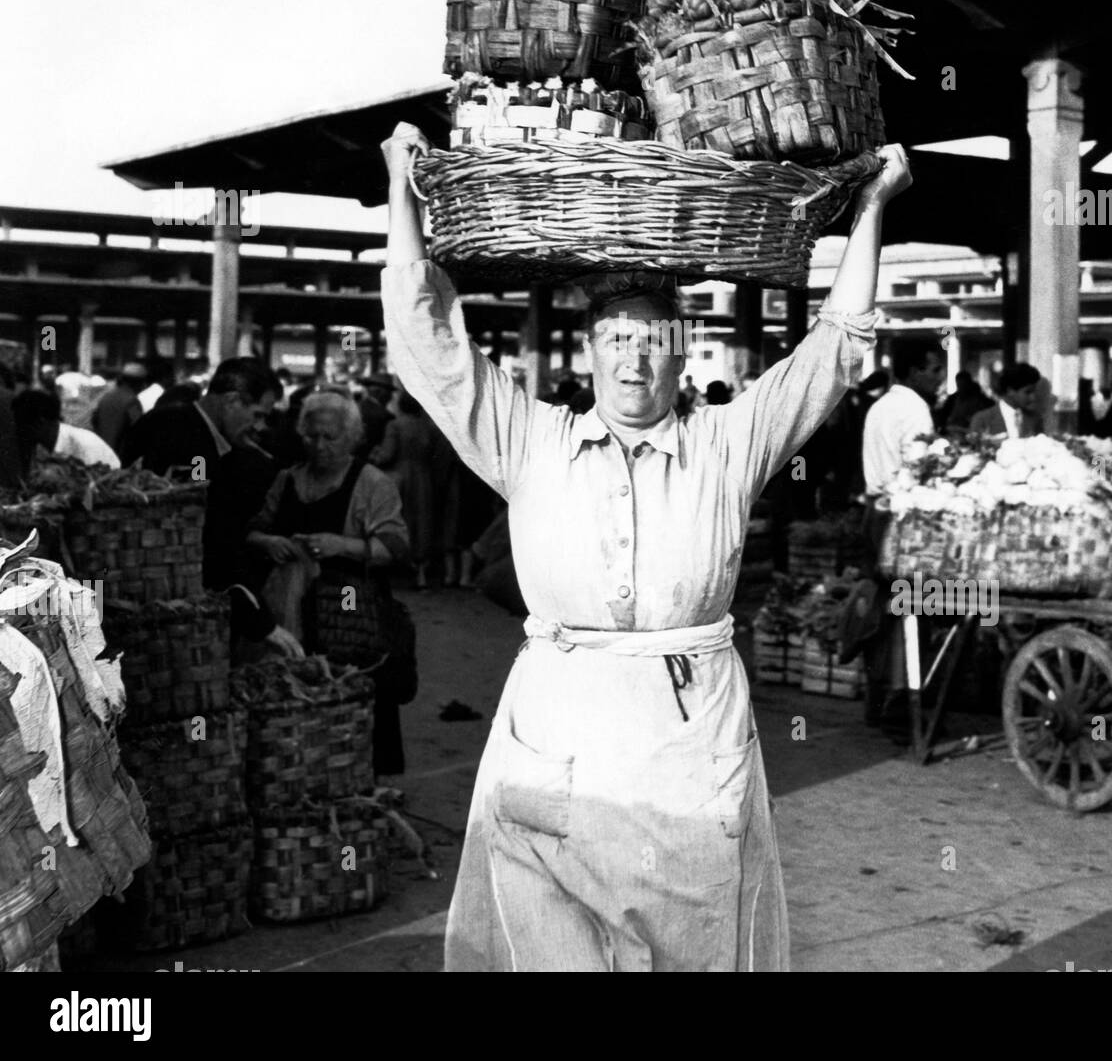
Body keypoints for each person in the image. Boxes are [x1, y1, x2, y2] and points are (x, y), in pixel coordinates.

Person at [380, 121, 910, 973]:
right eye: (616, 341)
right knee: (546, 949)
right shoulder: (531, 440)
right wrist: (401, 195)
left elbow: (834, 350)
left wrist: (872, 207)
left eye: (653, 344)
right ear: (587, 354)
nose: (634, 362)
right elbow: (427, 345)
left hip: (687, 738)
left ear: (681, 356)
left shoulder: (728, 445)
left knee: (692, 947)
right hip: (557, 733)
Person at [246, 392, 411, 773]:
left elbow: (397, 546)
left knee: (354, 686)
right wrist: (268, 542)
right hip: (290, 611)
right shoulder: (288, 479)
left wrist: (343, 545)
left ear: (352, 438)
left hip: (350, 606)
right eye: (312, 436)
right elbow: (253, 531)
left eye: (330, 438)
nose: (319, 445)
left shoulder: (372, 483)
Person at [119, 356, 299, 656]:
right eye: (256, 415)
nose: (259, 427)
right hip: (162, 600)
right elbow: (210, 534)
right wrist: (259, 622)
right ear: (231, 401)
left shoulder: (175, 423)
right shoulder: (189, 441)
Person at [854, 335, 946, 728]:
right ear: (913, 371)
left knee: (886, 608)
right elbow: (923, 473)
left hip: (875, 515)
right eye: (934, 369)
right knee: (912, 610)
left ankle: (878, 703)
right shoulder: (915, 411)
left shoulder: (880, 406)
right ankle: (903, 706)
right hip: (904, 519)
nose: (940, 378)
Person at [372, 383, 458, 588]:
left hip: (400, 479)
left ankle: (400, 569)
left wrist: (374, 454)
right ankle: (421, 573)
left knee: (401, 521)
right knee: (423, 523)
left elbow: (387, 454)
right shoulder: (428, 426)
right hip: (424, 479)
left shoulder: (394, 425)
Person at [13, 388, 120, 471]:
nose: (18, 430)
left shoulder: (84, 445)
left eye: (22, 424)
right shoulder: (42, 447)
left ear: (41, 421)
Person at [970, 362, 1044, 438]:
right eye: (1028, 392)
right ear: (1010, 391)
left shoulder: (1035, 419)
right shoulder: (982, 419)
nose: (1033, 397)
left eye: (1034, 392)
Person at [91, 363, 148, 453]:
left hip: (100, 450)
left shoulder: (106, 397)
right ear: (139, 383)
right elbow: (137, 429)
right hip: (119, 453)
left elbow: (94, 420)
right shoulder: (132, 402)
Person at [938, 369, 992, 433]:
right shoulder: (952, 399)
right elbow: (943, 417)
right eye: (959, 385)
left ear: (969, 384)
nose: (962, 388)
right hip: (954, 431)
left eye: (963, 385)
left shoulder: (979, 399)